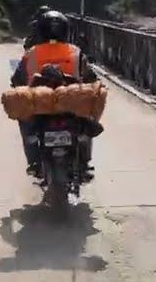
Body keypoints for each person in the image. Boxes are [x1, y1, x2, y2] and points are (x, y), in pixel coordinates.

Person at [11, 10, 102, 178]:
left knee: (25, 122)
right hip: (70, 103)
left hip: (40, 104)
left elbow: (17, 78)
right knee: (86, 121)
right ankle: (84, 163)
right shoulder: (75, 51)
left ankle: (34, 161)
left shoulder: (31, 53)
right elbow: (90, 76)